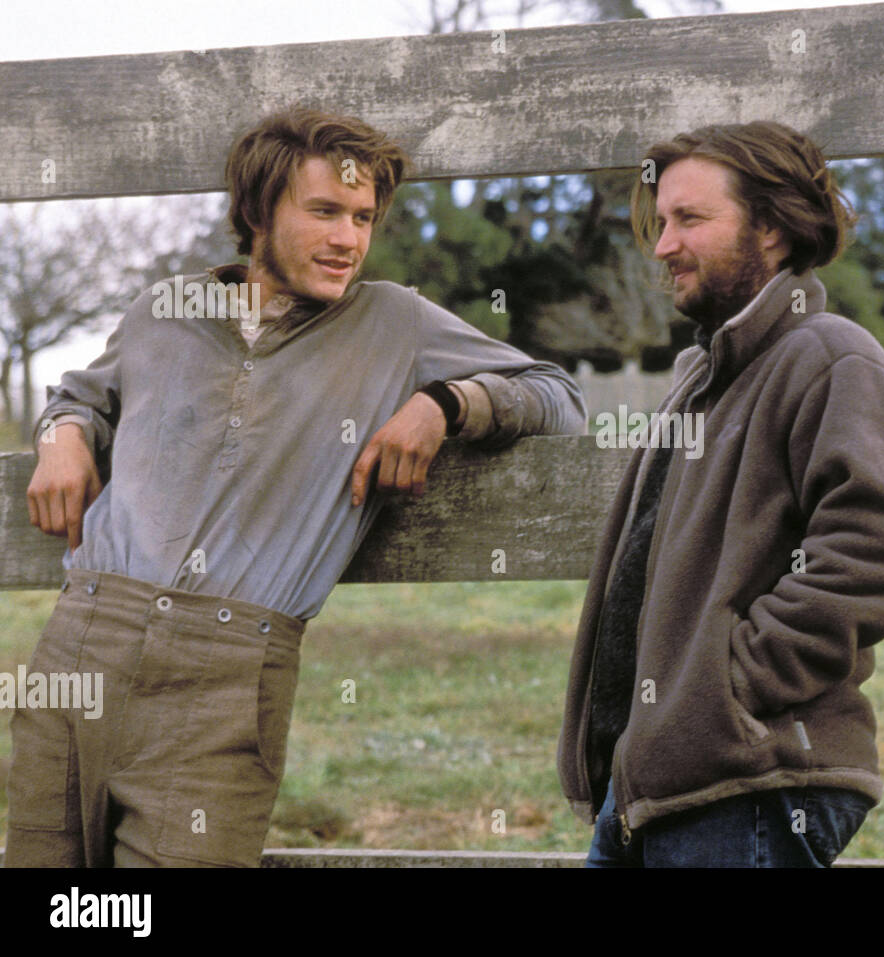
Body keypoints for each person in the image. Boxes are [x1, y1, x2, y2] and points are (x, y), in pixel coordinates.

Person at [9, 107, 586, 867]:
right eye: (324, 211)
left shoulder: (394, 323)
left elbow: (558, 396)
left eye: (363, 217)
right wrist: (61, 438)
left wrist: (445, 404)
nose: (348, 239)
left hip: (226, 675)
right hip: (83, 641)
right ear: (255, 212)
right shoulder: (163, 311)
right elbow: (80, 395)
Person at [556, 120, 884, 867]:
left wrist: (727, 686)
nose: (664, 245)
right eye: (662, 222)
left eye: (691, 220)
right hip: (658, 782)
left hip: (752, 783)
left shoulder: (830, 357)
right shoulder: (706, 377)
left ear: (771, 228)